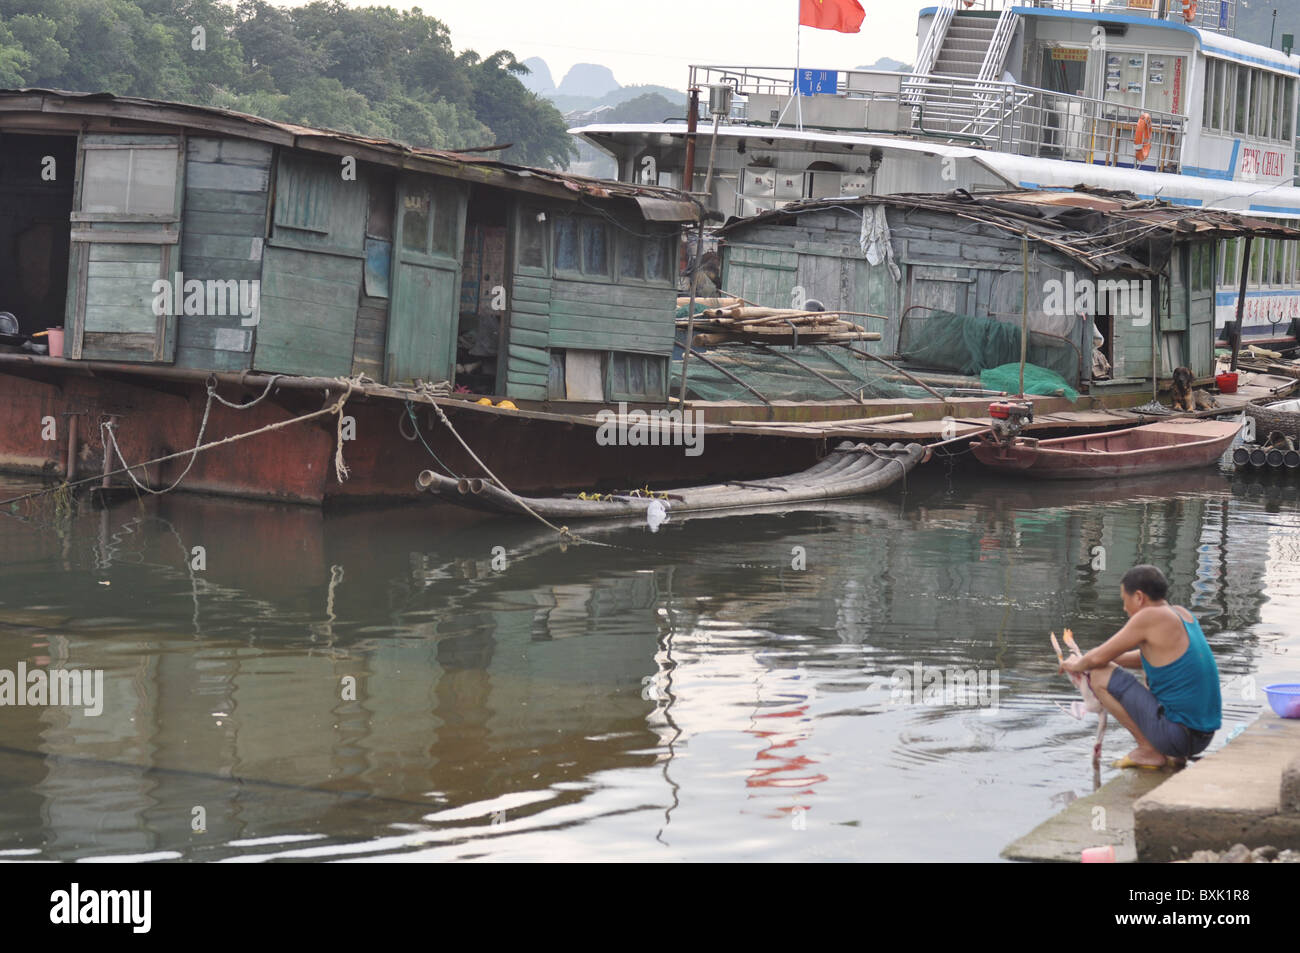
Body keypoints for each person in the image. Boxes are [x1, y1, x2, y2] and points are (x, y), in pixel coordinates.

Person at [1060, 565, 1220, 768]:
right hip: (1200, 738)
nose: (1124, 608)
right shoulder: (1181, 614)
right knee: (1118, 668)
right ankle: (1173, 756)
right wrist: (1103, 659)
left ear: (1138, 597)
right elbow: (1145, 657)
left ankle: (1148, 750)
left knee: (1099, 674)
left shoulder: (1150, 616)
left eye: (1124, 600)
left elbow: (1097, 659)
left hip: (1177, 736)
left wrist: (1076, 664)